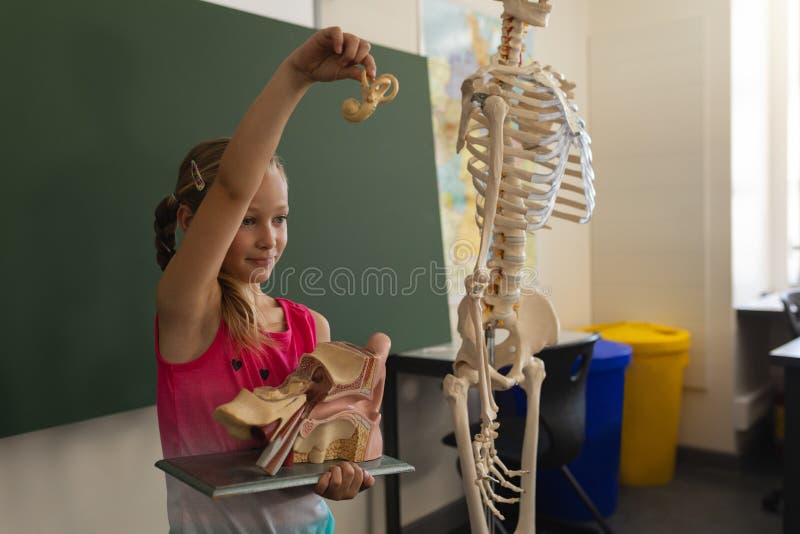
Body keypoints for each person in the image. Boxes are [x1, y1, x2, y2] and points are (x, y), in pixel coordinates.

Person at [152, 27, 389, 533]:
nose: (269, 239)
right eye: (247, 220)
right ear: (192, 224)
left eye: (280, 219)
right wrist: (296, 75)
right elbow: (233, 186)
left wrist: (341, 473)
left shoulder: (311, 327)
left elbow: (314, 451)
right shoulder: (188, 313)